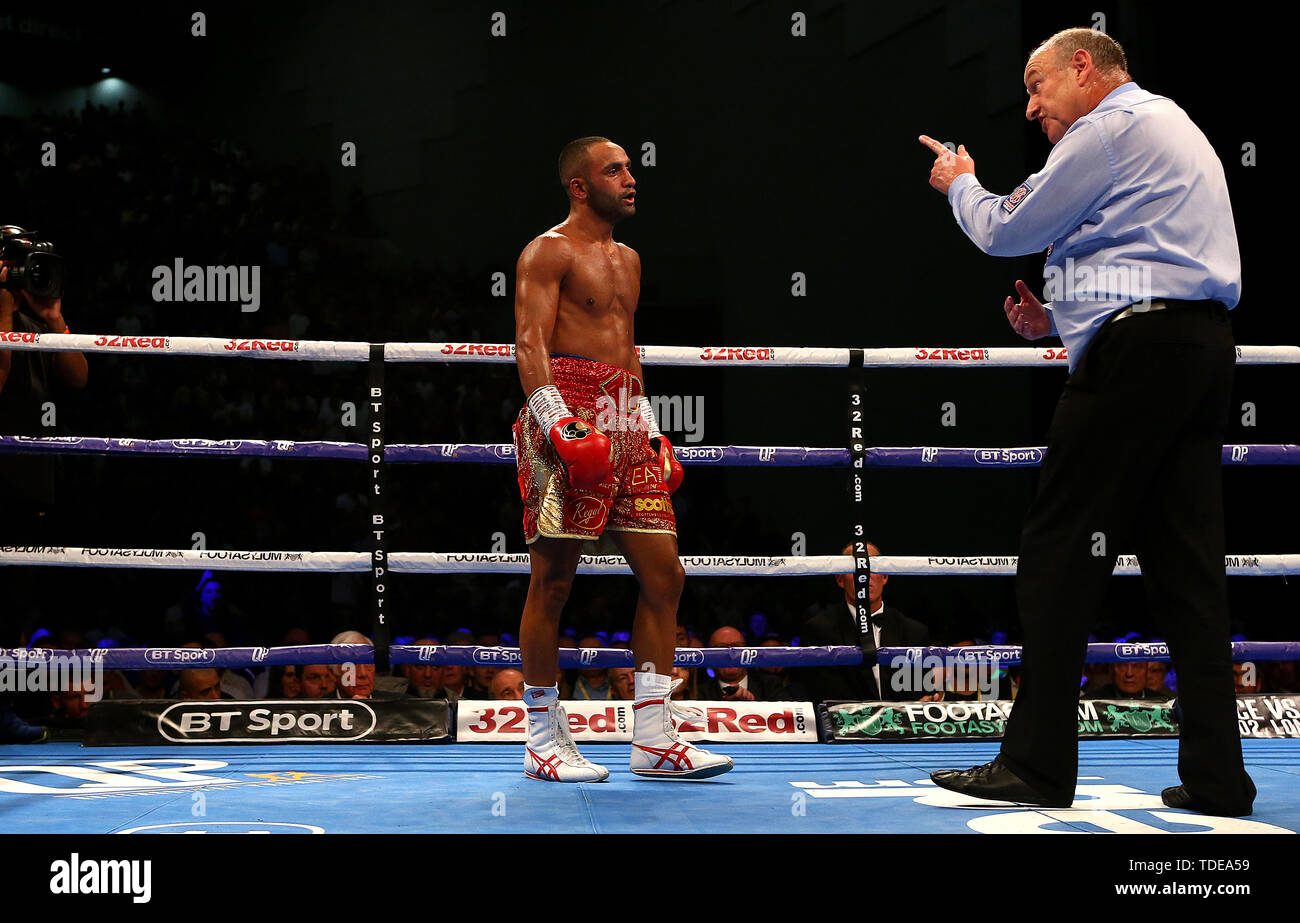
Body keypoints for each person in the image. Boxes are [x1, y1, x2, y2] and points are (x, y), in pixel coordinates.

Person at [920, 28, 1254, 816]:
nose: (1031, 106)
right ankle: (1217, 776)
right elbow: (1145, 251)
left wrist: (960, 182)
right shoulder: (1167, 123)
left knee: (1057, 553)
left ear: (1084, 67)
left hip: (1139, 360)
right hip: (1196, 350)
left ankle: (1035, 764)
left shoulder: (1107, 127)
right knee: (1188, 569)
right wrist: (1064, 319)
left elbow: (1006, 226)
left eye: (1037, 85)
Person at [512, 136, 731, 782]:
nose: (631, 178)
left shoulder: (630, 260)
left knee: (665, 576)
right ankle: (541, 737)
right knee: (552, 583)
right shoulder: (547, 251)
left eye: (630, 167)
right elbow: (528, 345)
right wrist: (561, 425)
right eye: (615, 170)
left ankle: (655, 737)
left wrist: (651, 429)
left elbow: (629, 352)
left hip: (624, 414)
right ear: (579, 186)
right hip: (566, 410)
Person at [1, 230, 88, 744]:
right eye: (12, 260)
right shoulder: (3, 320)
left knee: (12, 606)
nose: (20, 269)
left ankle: (2, 707)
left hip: (28, 479)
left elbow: (77, 377)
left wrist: (54, 317)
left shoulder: (37, 318)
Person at [800, 542, 929, 703]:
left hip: (904, 725)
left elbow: (919, 693)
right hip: (849, 725)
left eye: (871, 567)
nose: (864, 575)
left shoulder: (914, 632)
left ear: (885, 576)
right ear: (840, 579)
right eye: (856, 568)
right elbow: (827, 696)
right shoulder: (819, 630)